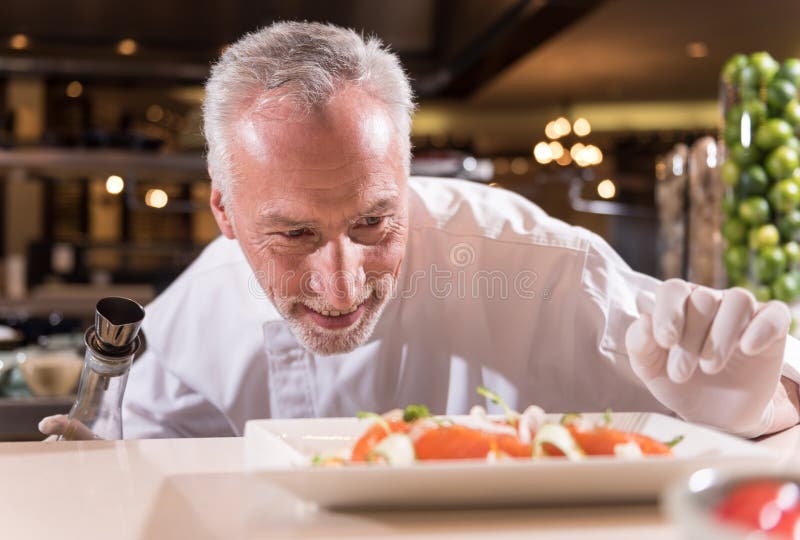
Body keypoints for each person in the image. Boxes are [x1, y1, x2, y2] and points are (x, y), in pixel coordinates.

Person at [40, 21, 800, 441]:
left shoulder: (538, 269)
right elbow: (142, 467)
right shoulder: (191, 325)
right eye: (295, 236)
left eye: (374, 223)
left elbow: (776, 391)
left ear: (407, 184)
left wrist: (751, 407)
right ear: (227, 216)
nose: (341, 285)